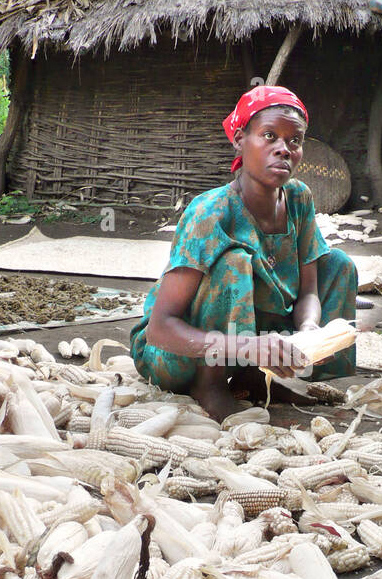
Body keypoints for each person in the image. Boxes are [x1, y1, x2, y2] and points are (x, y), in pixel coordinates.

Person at [129, 85, 358, 420]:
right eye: (269, 136)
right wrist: (248, 347)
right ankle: (211, 385)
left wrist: (310, 329)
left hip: (250, 346)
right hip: (177, 356)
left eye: (294, 141)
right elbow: (160, 329)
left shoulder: (298, 198)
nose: (283, 149)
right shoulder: (210, 213)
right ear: (239, 140)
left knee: (338, 264)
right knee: (235, 262)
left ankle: (254, 377)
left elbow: (309, 290)